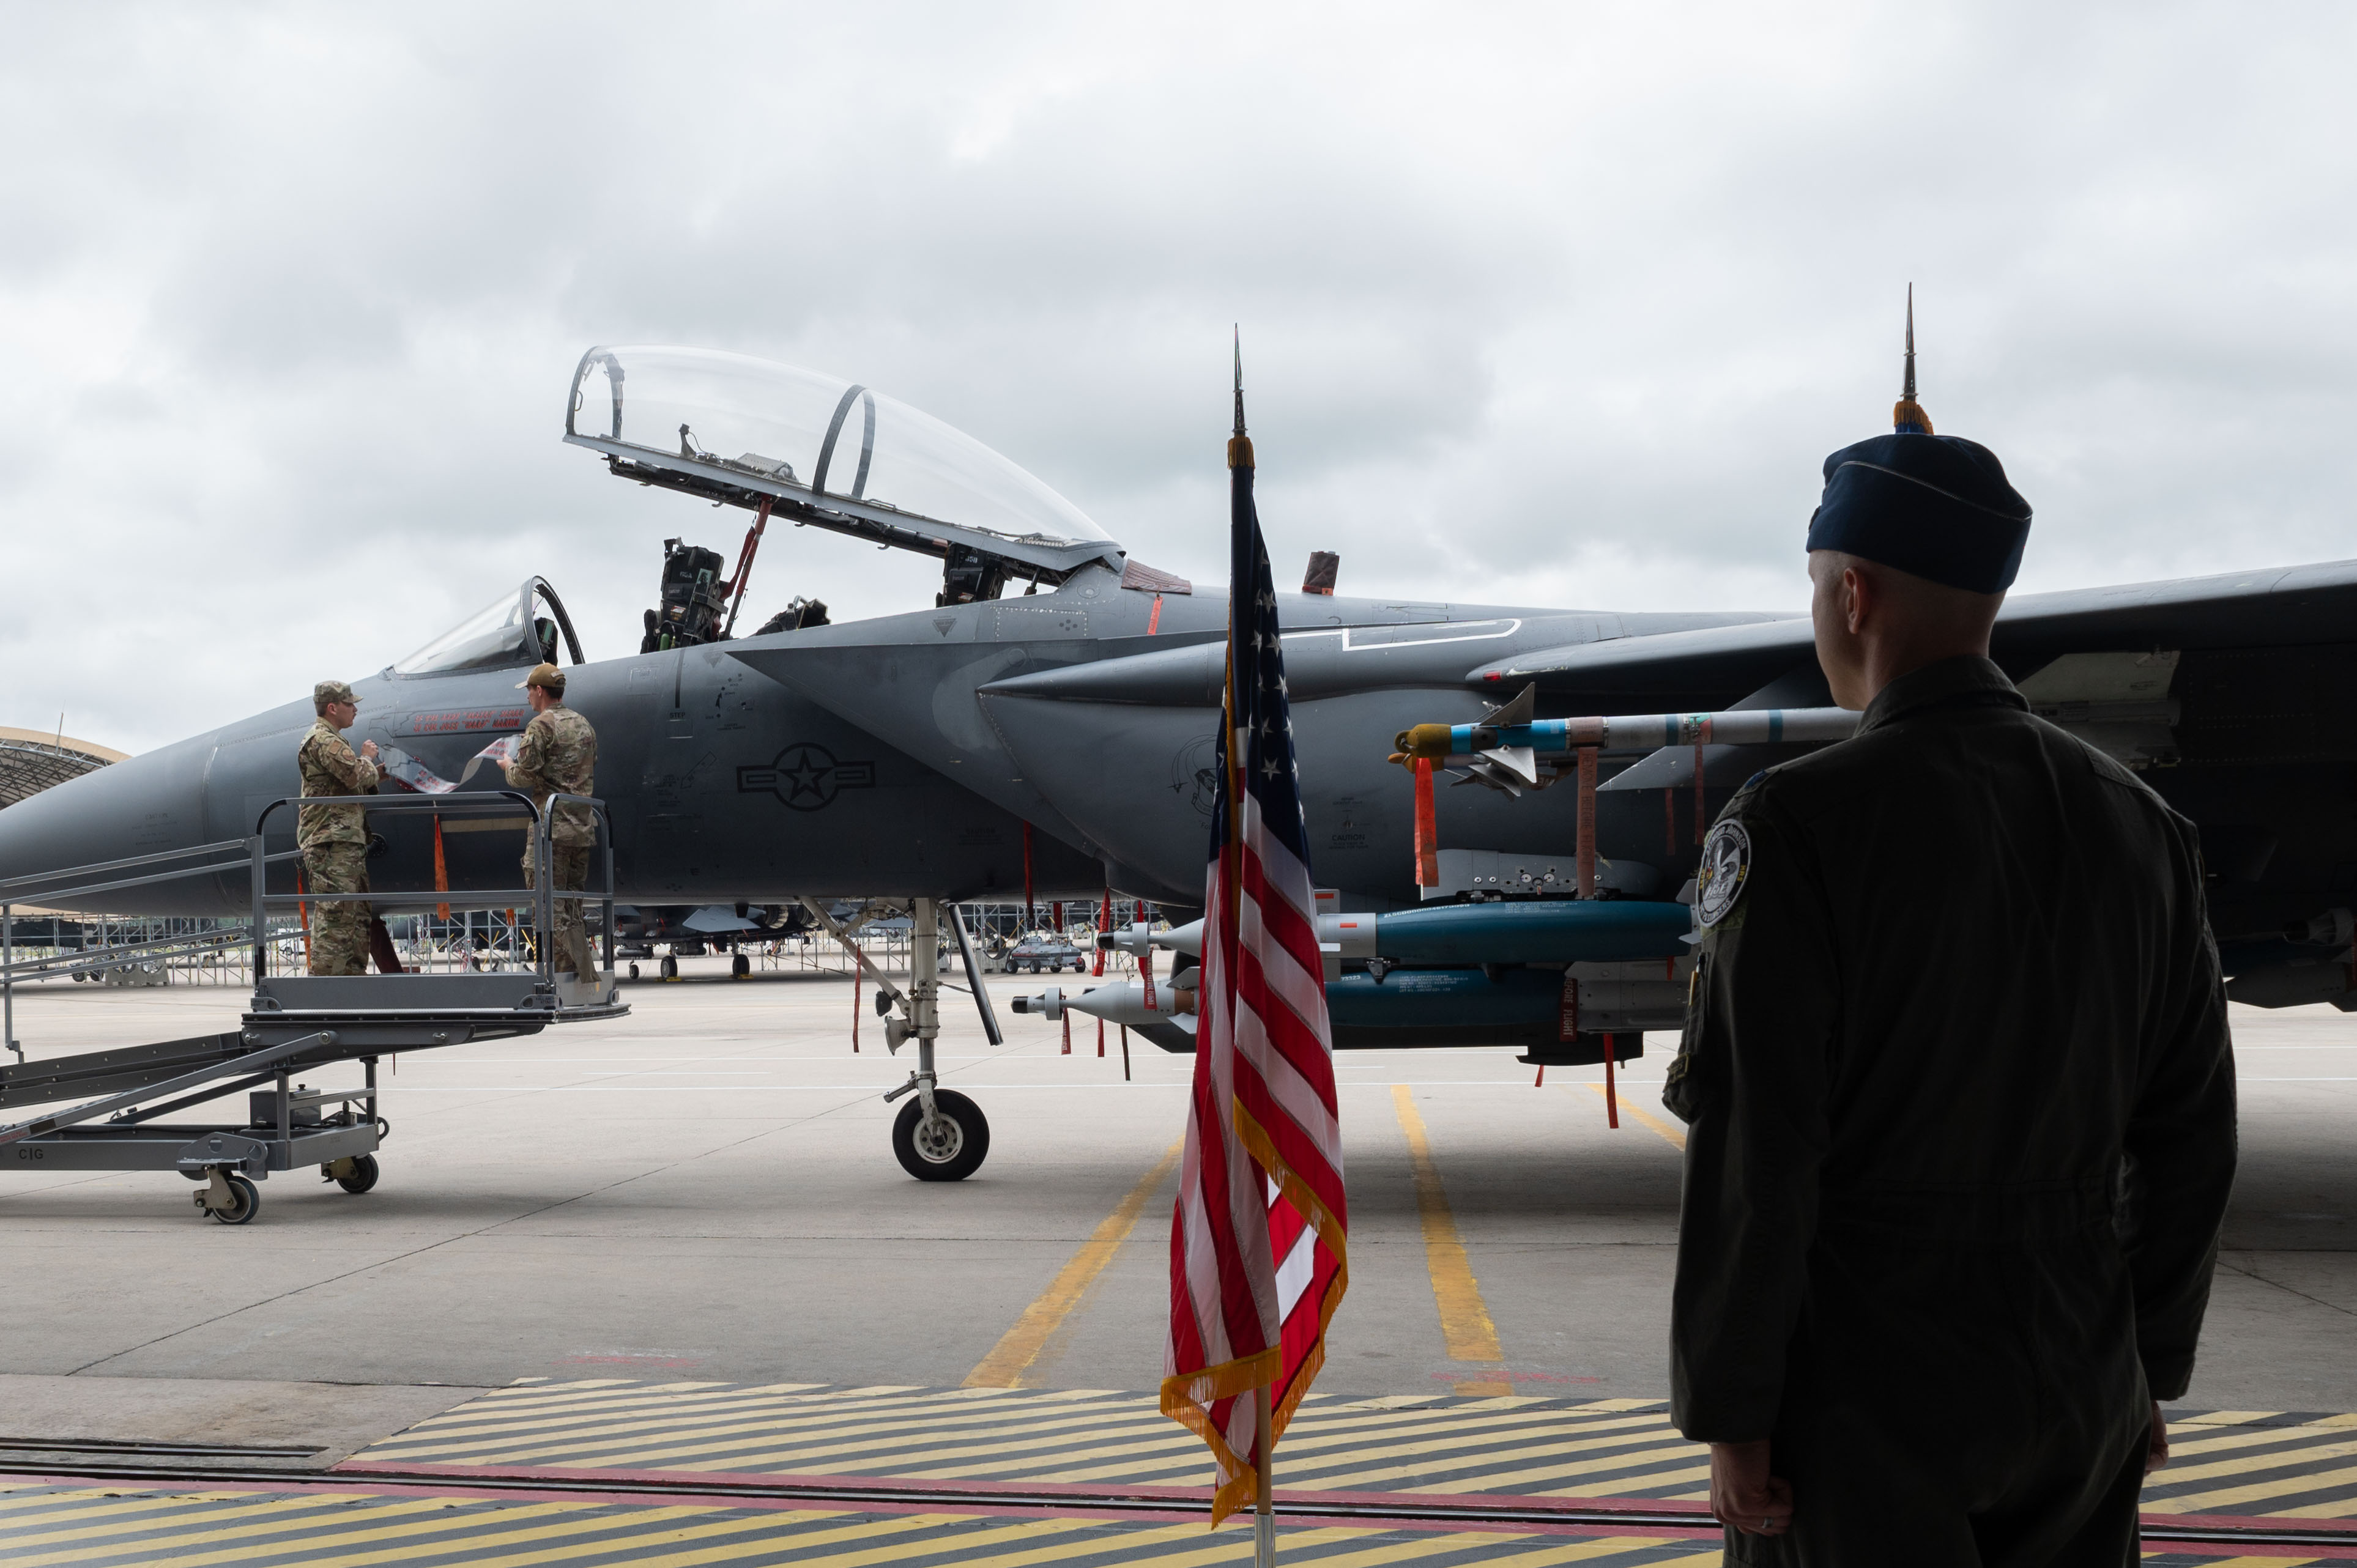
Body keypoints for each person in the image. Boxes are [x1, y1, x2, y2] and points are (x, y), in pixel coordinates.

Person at [1663, 388, 2236, 1564]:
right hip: (2080, 1369)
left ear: (1853, 593)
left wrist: (1731, 1411)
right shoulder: (2141, 823)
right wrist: (2144, 1366)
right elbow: (2190, 1131)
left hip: (1866, 1387)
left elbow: (1757, 1144)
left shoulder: (1799, 821)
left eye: (1817, 587)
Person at [503, 662, 599, 979]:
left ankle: (569, 977)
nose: (528, 697)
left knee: (548, 909)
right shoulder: (584, 725)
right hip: (581, 830)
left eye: (529, 691)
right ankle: (578, 974)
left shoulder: (541, 726)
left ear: (540, 691)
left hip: (551, 832)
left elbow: (522, 777)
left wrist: (507, 765)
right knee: (571, 909)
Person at [297, 679, 382, 976]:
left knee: (356, 914)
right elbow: (354, 773)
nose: (355, 709)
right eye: (349, 704)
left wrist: (372, 773)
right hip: (331, 841)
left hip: (344, 841)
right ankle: (327, 986)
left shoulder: (332, 740)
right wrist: (368, 760)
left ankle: (350, 980)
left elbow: (348, 780)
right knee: (337, 914)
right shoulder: (322, 739)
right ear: (332, 708)